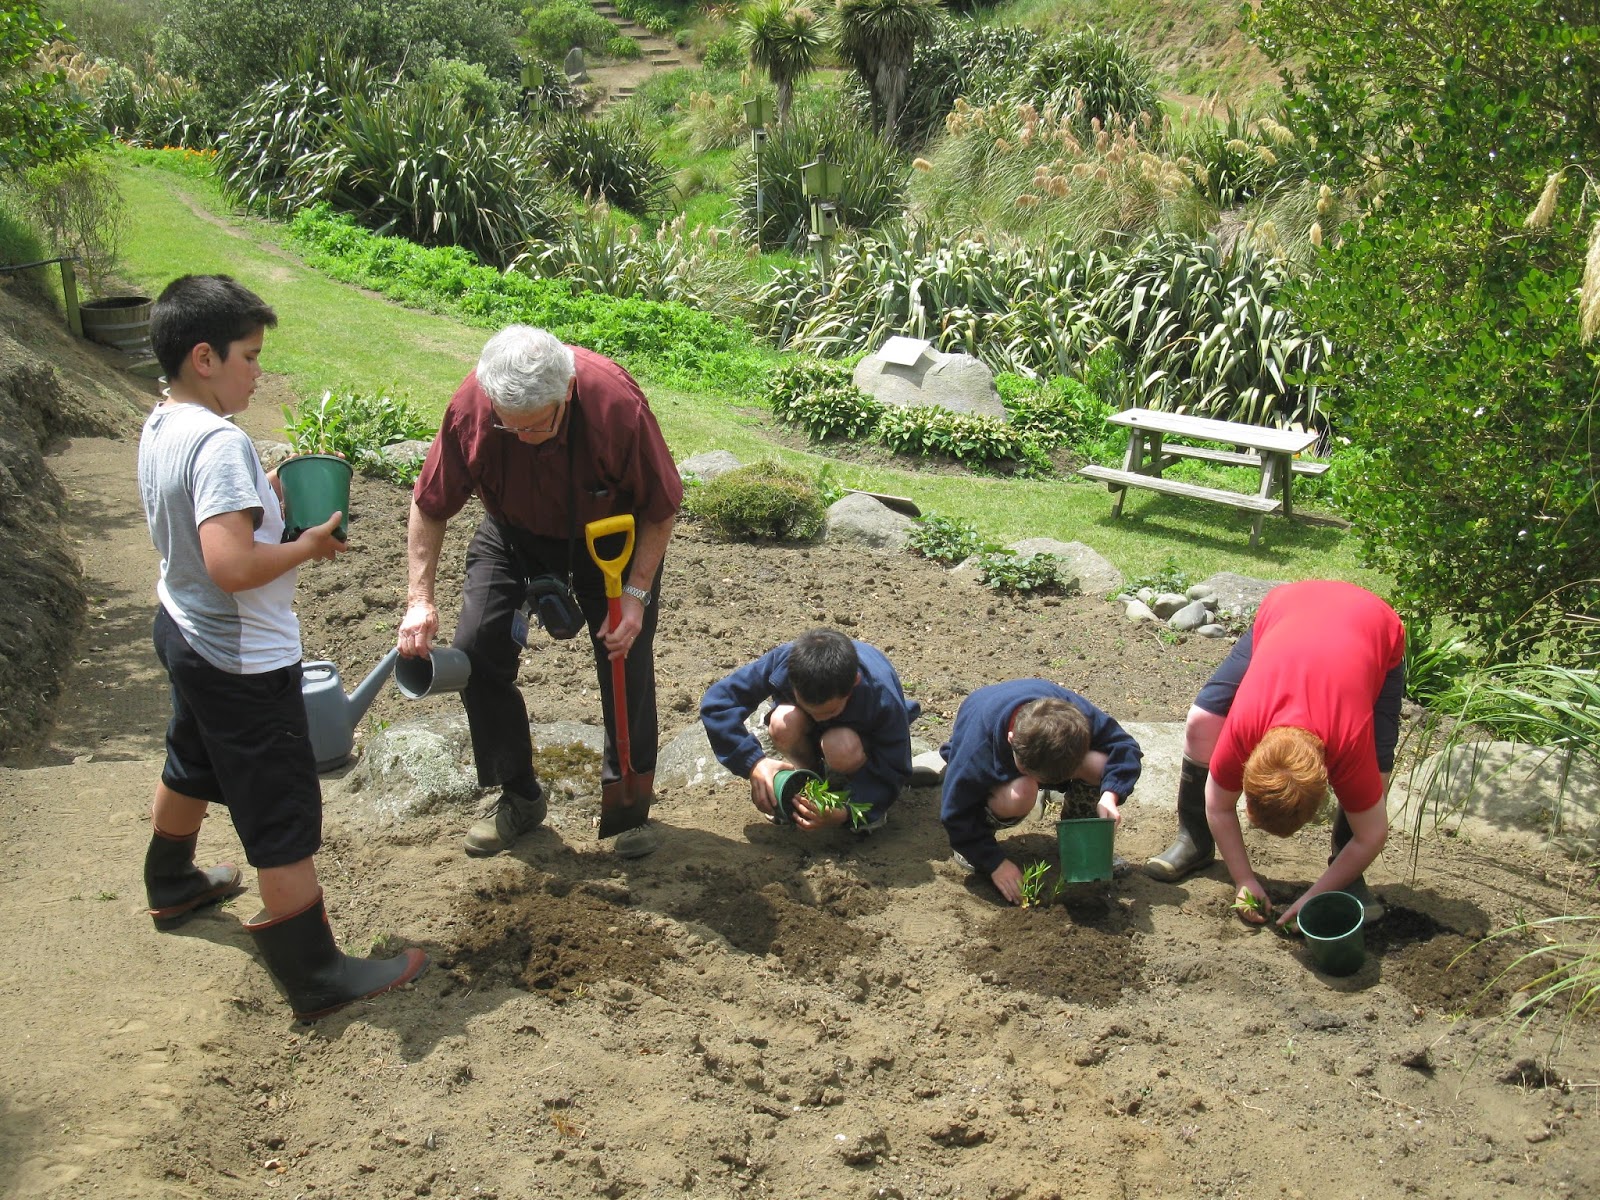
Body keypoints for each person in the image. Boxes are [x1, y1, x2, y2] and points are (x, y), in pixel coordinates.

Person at [139, 274, 427, 1021]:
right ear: (204, 357)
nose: (258, 372)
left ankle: (171, 882)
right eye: (250, 356)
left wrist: (264, 494)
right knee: (279, 807)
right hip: (240, 657)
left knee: (193, 757)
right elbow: (232, 565)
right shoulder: (219, 441)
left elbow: (203, 522)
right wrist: (305, 545)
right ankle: (318, 977)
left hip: (185, 630)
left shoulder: (163, 421)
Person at [399, 326, 682, 859]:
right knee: (477, 649)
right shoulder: (473, 408)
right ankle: (520, 796)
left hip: (610, 537)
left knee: (624, 653)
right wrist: (420, 598)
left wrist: (637, 595)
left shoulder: (614, 405)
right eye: (510, 427)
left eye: (537, 427)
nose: (523, 437)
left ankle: (628, 811)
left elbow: (662, 506)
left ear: (567, 393)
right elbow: (430, 503)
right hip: (512, 532)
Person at [1143, 580, 1405, 928]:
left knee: (1378, 769)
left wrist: (1313, 897)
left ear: (1328, 782)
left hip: (1373, 624)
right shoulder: (1244, 726)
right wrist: (1244, 880)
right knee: (1202, 722)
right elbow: (1218, 803)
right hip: (1288, 609)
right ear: (1248, 762)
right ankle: (1194, 840)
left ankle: (1345, 873)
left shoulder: (1350, 744)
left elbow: (1372, 834)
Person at [940, 680, 1142, 905]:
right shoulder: (975, 751)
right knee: (1022, 792)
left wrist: (1110, 795)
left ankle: (1080, 832)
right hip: (987, 737)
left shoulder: (1075, 717)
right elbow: (954, 813)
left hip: (1040, 740)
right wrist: (994, 864)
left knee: (1099, 764)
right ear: (1011, 740)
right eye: (1034, 775)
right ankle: (976, 845)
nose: (1042, 785)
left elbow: (1126, 748)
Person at [700, 629, 920, 833]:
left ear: (854, 683)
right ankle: (810, 780)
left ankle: (856, 790)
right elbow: (718, 703)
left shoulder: (881, 694)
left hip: (857, 740)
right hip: (813, 728)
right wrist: (753, 763)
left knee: (840, 746)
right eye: (808, 709)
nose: (818, 718)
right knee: (783, 723)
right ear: (792, 680)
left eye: (830, 711)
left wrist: (849, 812)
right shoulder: (786, 661)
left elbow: (894, 764)